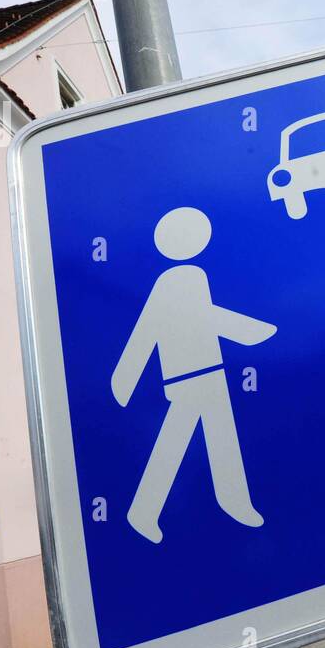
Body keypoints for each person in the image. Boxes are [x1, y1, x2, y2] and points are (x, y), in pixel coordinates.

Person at [112, 207, 276, 542]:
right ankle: (144, 510)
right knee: (176, 441)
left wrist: (248, 330)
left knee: (221, 440)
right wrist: (124, 378)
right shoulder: (178, 280)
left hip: (208, 372)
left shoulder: (191, 276)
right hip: (188, 376)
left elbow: (201, 318)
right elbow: (152, 327)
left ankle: (234, 501)